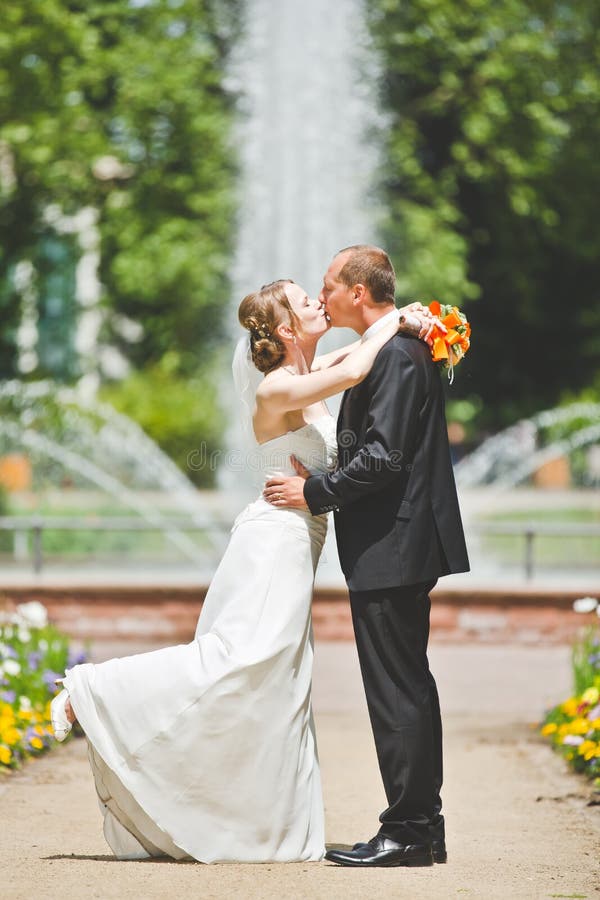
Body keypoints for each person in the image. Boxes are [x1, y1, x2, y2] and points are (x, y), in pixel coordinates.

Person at [50, 277, 435, 864]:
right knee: (238, 659)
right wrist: (400, 317)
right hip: (273, 543)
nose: (316, 304)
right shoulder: (277, 388)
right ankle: (91, 690)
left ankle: (261, 827)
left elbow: (350, 359)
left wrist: (401, 321)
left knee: (276, 677)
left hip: (297, 540)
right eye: (306, 300)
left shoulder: (305, 372)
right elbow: (358, 369)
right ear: (284, 328)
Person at [264, 245, 470, 868]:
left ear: (358, 292)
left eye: (328, 287)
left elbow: (383, 458)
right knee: (405, 684)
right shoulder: (391, 346)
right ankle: (420, 826)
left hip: (396, 544)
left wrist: (312, 493)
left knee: (397, 690)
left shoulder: (400, 355)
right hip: (395, 543)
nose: (322, 298)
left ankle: (407, 830)